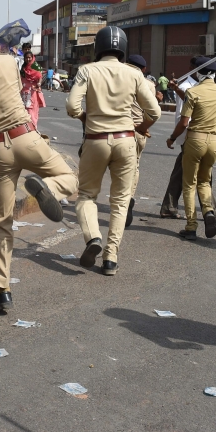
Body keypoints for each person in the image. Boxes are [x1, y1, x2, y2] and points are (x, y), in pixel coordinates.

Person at [0, 29, 77, 311]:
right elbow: (21, 68)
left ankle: (3, 290)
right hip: (27, 137)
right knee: (69, 178)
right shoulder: (8, 61)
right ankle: (51, 189)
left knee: (1, 222)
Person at [67, 26, 160, 276]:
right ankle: (111, 257)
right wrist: (140, 127)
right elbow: (155, 112)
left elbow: (71, 106)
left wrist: (86, 118)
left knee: (86, 195)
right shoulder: (134, 74)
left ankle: (93, 238)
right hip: (126, 141)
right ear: (123, 48)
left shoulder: (87, 70)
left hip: (95, 140)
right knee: (120, 201)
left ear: (98, 47)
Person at [165, 56, 216, 240]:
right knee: (205, 181)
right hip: (213, 143)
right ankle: (208, 211)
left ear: (198, 73)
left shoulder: (194, 91)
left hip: (195, 142)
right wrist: (177, 89)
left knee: (189, 184)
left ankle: (191, 226)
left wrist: (172, 138)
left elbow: (184, 122)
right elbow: (198, 102)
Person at [126, 54, 158, 225]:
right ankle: (129, 197)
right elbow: (152, 113)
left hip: (118, 131)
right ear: (143, 69)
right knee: (135, 166)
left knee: (117, 169)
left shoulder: (118, 78)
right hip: (138, 132)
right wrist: (144, 128)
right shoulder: (149, 85)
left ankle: (121, 200)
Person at [20, 50, 45, 128]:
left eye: (29, 57)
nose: (28, 59)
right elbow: (21, 78)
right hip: (24, 91)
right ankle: (27, 128)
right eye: (26, 58)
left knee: (32, 110)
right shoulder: (23, 67)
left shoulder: (36, 66)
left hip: (33, 91)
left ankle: (33, 127)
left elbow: (40, 76)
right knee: (26, 110)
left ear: (32, 57)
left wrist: (39, 83)